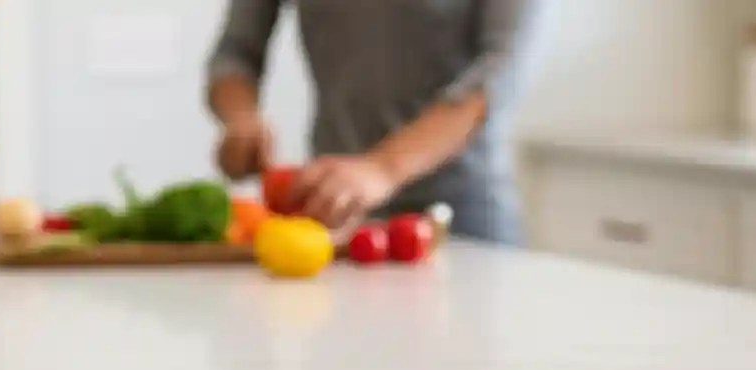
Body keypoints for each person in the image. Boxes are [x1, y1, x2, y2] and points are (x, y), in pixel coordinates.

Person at [206, 0, 544, 246]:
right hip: (331, 216)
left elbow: (499, 74)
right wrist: (241, 119)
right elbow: (234, 53)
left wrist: (383, 168)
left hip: (460, 217)